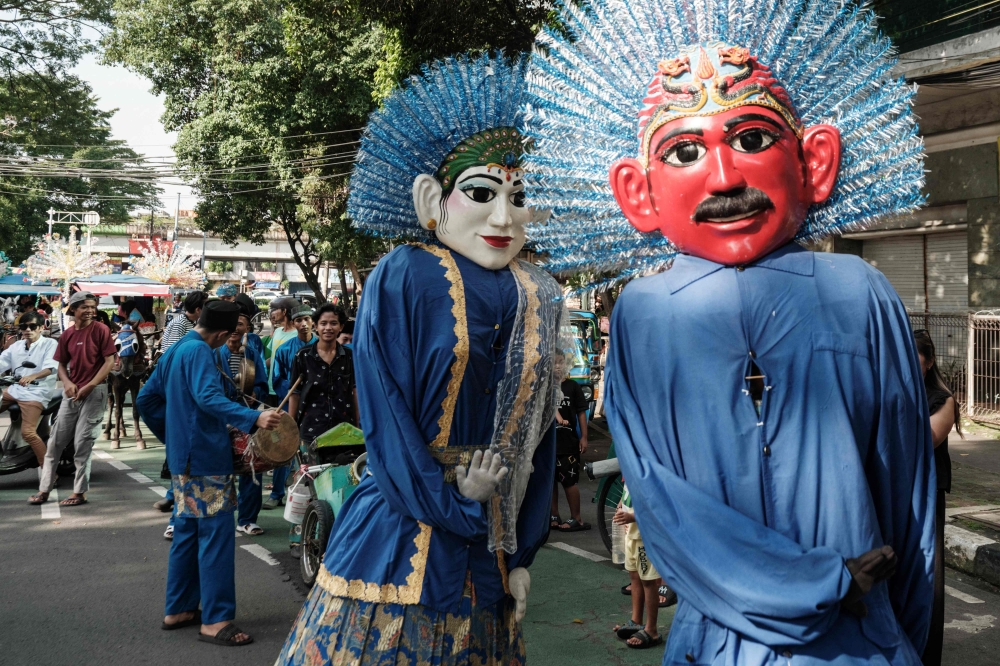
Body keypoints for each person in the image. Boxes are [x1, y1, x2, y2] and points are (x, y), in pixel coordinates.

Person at [525, 3, 934, 664]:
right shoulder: (644, 313)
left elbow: (904, 489)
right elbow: (662, 499)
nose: (724, 178)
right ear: (639, 193)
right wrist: (826, 584)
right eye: (685, 152)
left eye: (750, 140)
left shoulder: (858, 292)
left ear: (814, 162)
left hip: (852, 631)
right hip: (764, 634)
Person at [275, 54, 564, 665]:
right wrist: (456, 503)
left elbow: (541, 428)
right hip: (407, 523)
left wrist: (522, 546)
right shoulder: (404, 273)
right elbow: (387, 411)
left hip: (493, 543)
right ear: (433, 199)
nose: (504, 216)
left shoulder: (541, 291)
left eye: (521, 195)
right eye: (482, 193)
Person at [136, 300, 283, 647]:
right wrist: (253, 418)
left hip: (183, 458)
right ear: (221, 333)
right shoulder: (201, 351)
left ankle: (180, 609)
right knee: (216, 537)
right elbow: (207, 397)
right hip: (204, 458)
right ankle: (216, 621)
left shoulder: (178, 348)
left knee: (187, 532)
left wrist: (173, 435)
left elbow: (146, 400)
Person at [29, 291, 116, 507]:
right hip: (72, 393)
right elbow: (60, 364)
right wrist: (67, 383)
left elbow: (109, 362)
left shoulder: (101, 330)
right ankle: (44, 489)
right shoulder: (68, 334)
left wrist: (90, 385)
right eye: (85, 307)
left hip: (94, 392)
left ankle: (79, 492)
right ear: (74, 309)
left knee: (82, 443)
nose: (89, 310)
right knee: (55, 443)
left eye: (92, 307)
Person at [914, 329, 961, 666]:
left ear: (929, 363)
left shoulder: (941, 399)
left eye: (913, 359)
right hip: (893, 491)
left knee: (927, 577)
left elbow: (928, 436)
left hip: (926, 493)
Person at [217, 303, 268, 537]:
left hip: (246, 418)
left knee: (251, 468)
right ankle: (218, 515)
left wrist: (257, 390)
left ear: (247, 328)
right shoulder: (213, 352)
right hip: (219, 419)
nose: (235, 329)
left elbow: (262, 383)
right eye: (231, 324)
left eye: (240, 324)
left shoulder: (251, 353)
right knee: (216, 468)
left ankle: (247, 519)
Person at [262, 303, 316, 510]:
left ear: (312, 322)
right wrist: (295, 395)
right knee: (284, 448)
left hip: (316, 409)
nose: (303, 324)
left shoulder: (322, 346)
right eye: (299, 320)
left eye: (307, 320)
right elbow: (277, 379)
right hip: (290, 405)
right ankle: (276, 493)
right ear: (293, 323)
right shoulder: (284, 350)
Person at [287, 304, 356, 462]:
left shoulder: (349, 356)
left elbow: (355, 391)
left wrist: (357, 426)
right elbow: (294, 393)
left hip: (343, 428)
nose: (328, 328)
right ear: (316, 327)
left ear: (341, 327)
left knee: (343, 476)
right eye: (323, 323)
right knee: (314, 477)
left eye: (333, 323)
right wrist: (291, 428)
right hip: (312, 429)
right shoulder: (302, 356)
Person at [612, 482, 670, 649]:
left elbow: (658, 507)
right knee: (634, 577)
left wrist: (632, 517)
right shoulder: (632, 469)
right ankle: (636, 621)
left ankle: (651, 630)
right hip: (631, 534)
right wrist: (621, 509)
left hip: (645, 537)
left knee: (648, 582)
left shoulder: (649, 473)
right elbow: (627, 495)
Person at [0, 311, 59, 466]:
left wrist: (33, 376)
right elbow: (2, 362)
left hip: (36, 393)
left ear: (40, 328)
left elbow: (51, 368)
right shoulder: (17, 346)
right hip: (14, 390)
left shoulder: (50, 344)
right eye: (24, 326)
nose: (27, 330)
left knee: (28, 433)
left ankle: (49, 473)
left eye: (32, 326)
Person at [550, 357, 590, 532]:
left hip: (568, 443)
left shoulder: (573, 387)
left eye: (560, 362)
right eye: (553, 362)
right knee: (550, 481)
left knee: (569, 481)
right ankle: (553, 516)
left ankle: (577, 518)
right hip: (549, 443)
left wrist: (584, 437)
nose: (557, 366)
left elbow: (581, 413)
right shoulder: (546, 387)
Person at [264, 297, 298, 405]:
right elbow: (273, 358)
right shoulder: (277, 331)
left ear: (284, 311)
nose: (272, 313)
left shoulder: (298, 335)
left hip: (287, 391)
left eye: (275, 309)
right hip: (271, 388)